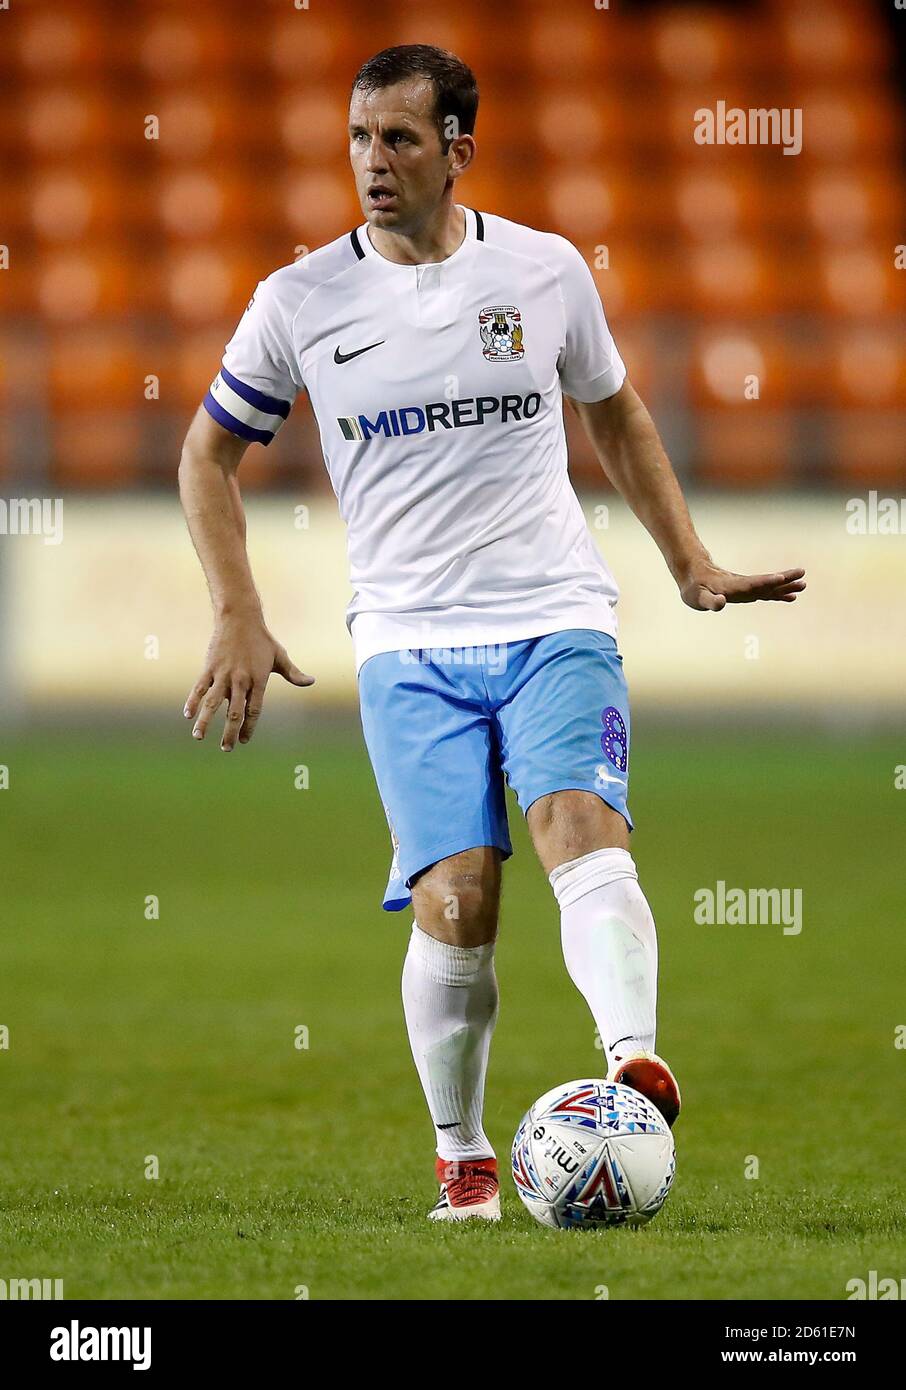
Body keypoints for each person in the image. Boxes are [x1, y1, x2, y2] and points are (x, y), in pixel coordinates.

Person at [179, 44, 805, 1222]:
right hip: (408, 643)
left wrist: (688, 563)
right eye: (360, 137)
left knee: (580, 824)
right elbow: (206, 450)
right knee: (458, 901)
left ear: (460, 148)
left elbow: (614, 410)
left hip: (554, 613)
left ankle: (631, 1068)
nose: (373, 161)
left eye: (400, 139)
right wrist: (237, 607)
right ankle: (464, 1154)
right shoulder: (301, 302)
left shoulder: (546, 272)